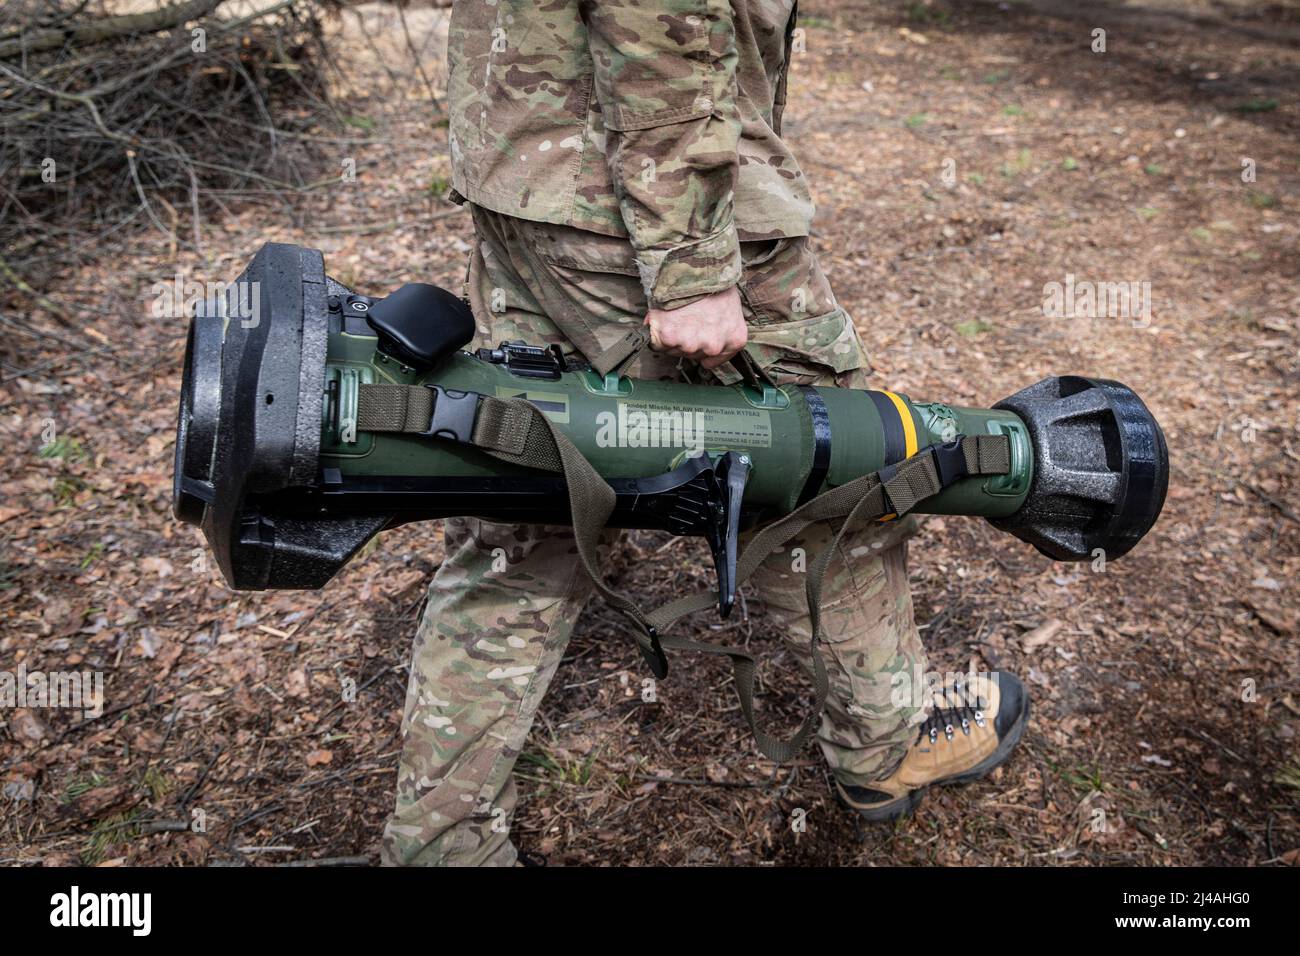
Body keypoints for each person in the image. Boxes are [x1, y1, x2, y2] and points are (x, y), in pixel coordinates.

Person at [381, 0, 1028, 867]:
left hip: (532, 171)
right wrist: (688, 260)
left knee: (531, 488)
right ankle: (887, 738)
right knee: (829, 464)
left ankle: (441, 843)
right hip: (634, 198)